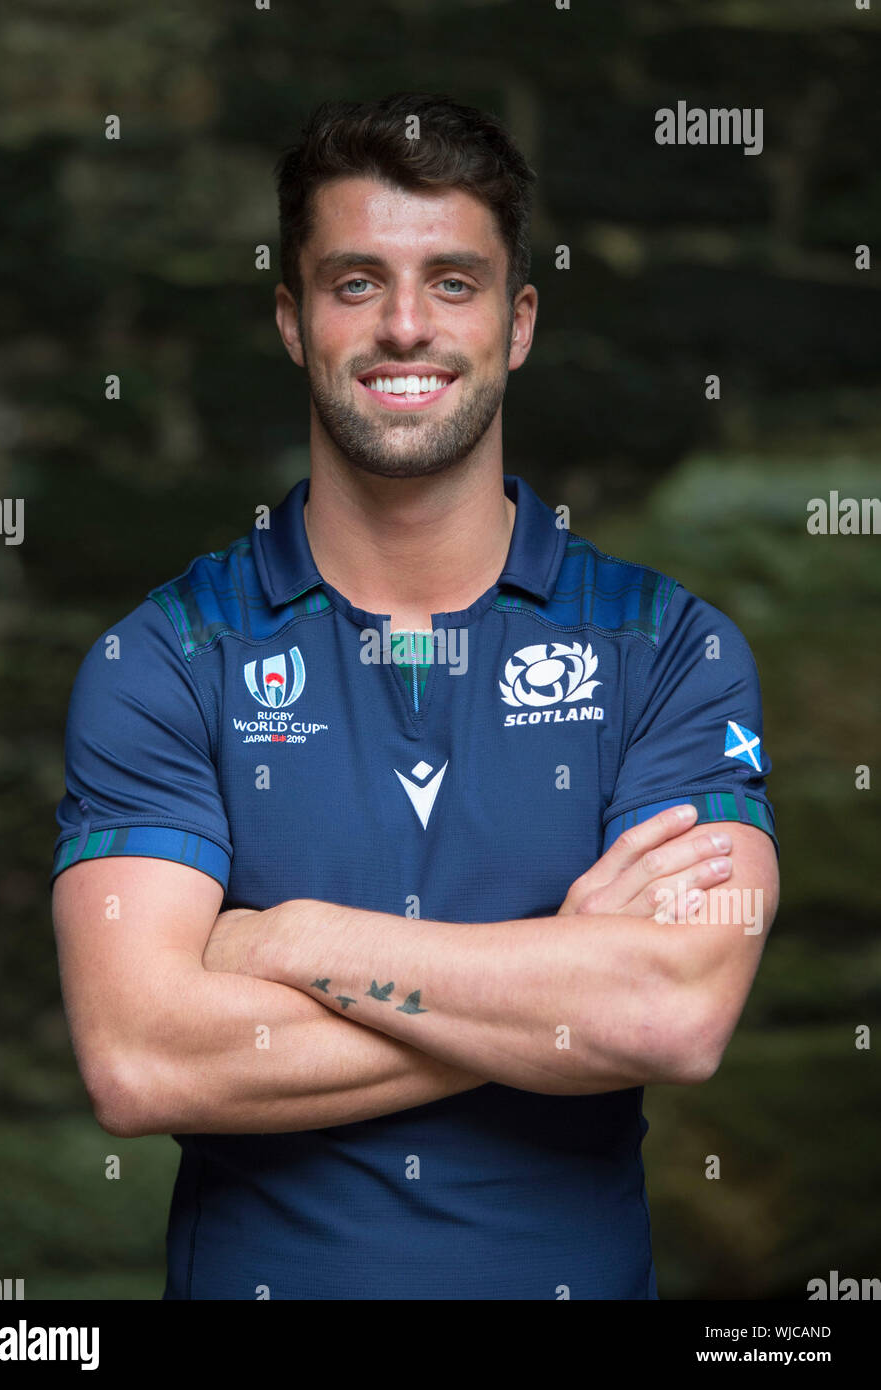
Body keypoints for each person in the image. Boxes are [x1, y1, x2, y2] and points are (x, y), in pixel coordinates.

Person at [50, 92, 779, 1300]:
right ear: (292, 319)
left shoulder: (670, 652)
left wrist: (286, 942)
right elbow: (139, 1058)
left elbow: (674, 1013)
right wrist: (563, 983)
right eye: (353, 283)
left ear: (518, 320)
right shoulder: (167, 658)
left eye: (453, 281)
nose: (404, 326)